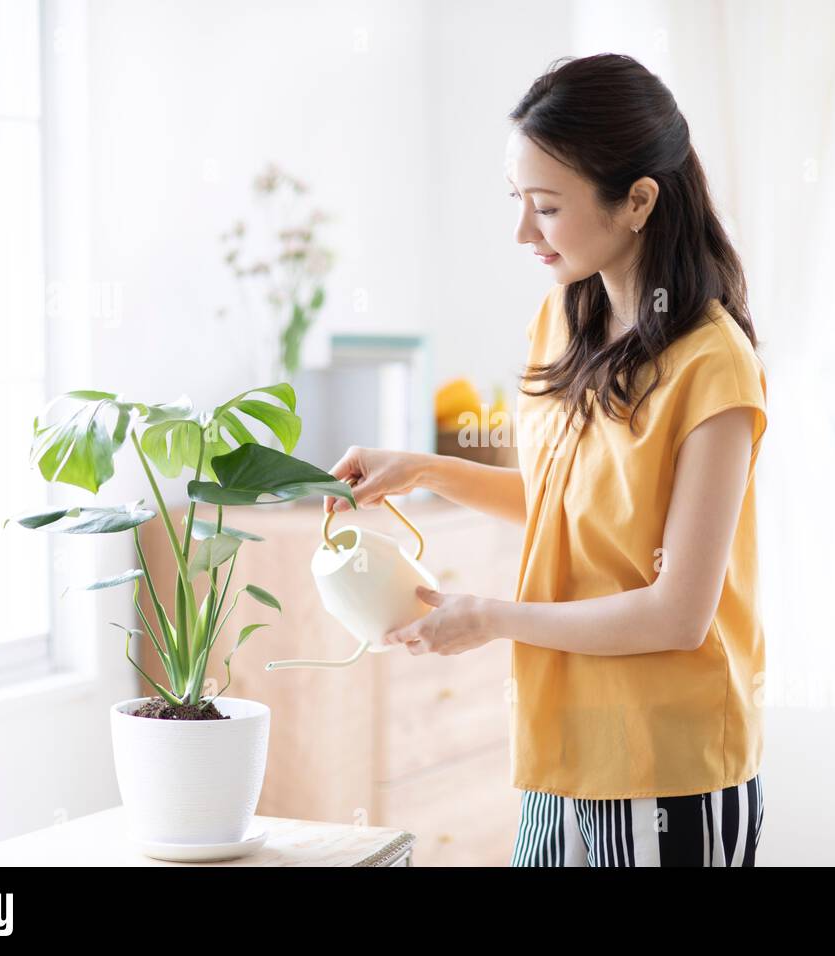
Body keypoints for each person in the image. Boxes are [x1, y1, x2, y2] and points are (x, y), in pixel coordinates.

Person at [323, 53, 767, 867]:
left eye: (548, 208)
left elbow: (679, 611)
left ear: (638, 201)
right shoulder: (567, 317)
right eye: (517, 201)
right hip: (557, 757)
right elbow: (570, 506)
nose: (523, 232)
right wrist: (421, 470)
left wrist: (491, 617)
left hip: (667, 777)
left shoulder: (714, 365)